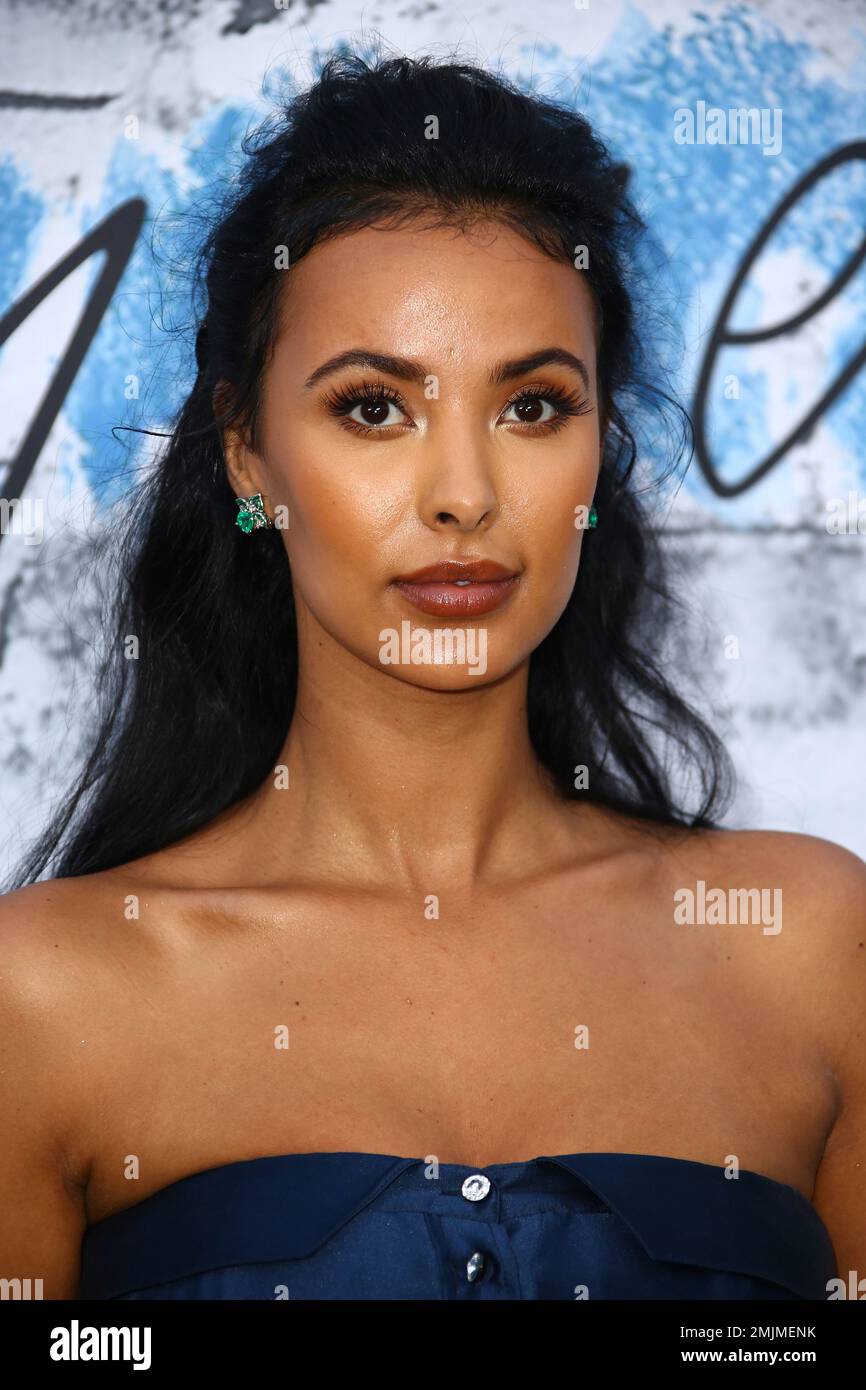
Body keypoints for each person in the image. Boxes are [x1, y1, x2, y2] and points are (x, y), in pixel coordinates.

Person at [1, 51, 863, 1302]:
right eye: (370, 407)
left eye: (531, 406)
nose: (463, 494)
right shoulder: (42, 998)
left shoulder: (808, 947)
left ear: (598, 450)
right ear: (248, 455)